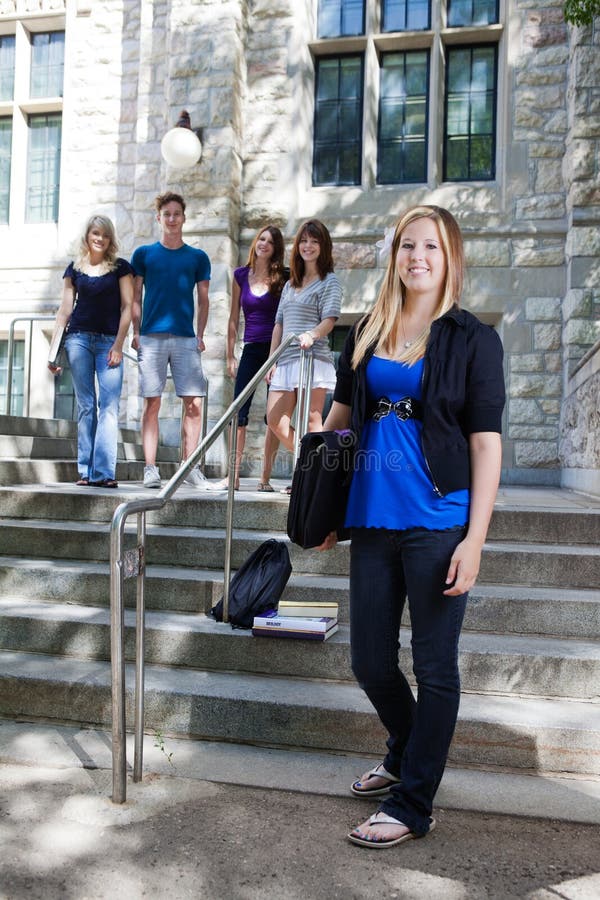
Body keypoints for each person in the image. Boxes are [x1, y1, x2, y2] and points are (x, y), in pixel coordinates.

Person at [320, 205, 505, 848]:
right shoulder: (367, 330)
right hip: (372, 520)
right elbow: (339, 422)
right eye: (406, 245)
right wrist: (321, 509)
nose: (416, 256)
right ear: (395, 256)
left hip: (439, 523)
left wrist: (475, 539)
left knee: (435, 667)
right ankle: (405, 748)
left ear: (449, 257)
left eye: (429, 245)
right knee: (370, 661)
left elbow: (485, 444)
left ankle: (413, 802)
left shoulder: (473, 338)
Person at [131, 192, 210, 489]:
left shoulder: (198, 258)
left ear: (184, 218)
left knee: (194, 404)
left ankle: (189, 467)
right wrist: (135, 332)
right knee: (152, 402)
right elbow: (135, 297)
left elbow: (203, 300)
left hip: (185, 339)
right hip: (150, 338)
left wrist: (200, 335)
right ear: (159, 218)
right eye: (167, 214)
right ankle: (150, 468)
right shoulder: (144, 255)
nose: (173, 218)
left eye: (177, 213)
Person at [48, 214, 134, 488]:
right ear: (87, 236)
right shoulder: (74, 269)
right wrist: (53, 353)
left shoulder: (121, 268)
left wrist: (119, 345)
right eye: (95, 233)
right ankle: (86, 471)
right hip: (78, 340)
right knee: (86, 406)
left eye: (105, 235)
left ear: (110, 240)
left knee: (108, 407)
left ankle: (104, 473)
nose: (100, 238)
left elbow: (128, 307)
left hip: (109, 342)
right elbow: (64, 312)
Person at [207, 225, 286, 493]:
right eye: (261, 239)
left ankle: (265, 478)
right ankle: (233, 477)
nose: (264, 244)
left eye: (270, 242)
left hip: (277, 350)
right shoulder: (240, 275)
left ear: (276, 249)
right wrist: (230, 355)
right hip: (251, 348)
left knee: (273, 415)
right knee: (238, 413)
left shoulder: (283, 277)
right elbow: (232, 320)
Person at [266, 219, 342, 490]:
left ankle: (308, 478)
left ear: (323, 247)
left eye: (314, 241)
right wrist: (271, 360)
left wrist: (312, 335)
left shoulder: (329, 281)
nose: (308, 246)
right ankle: (310, 465)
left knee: (312, 420)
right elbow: (279, 323)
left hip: (313, 358)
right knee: (274, 420)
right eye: (304, 241)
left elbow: (330, 319)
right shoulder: (290, 284)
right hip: (286, 360)